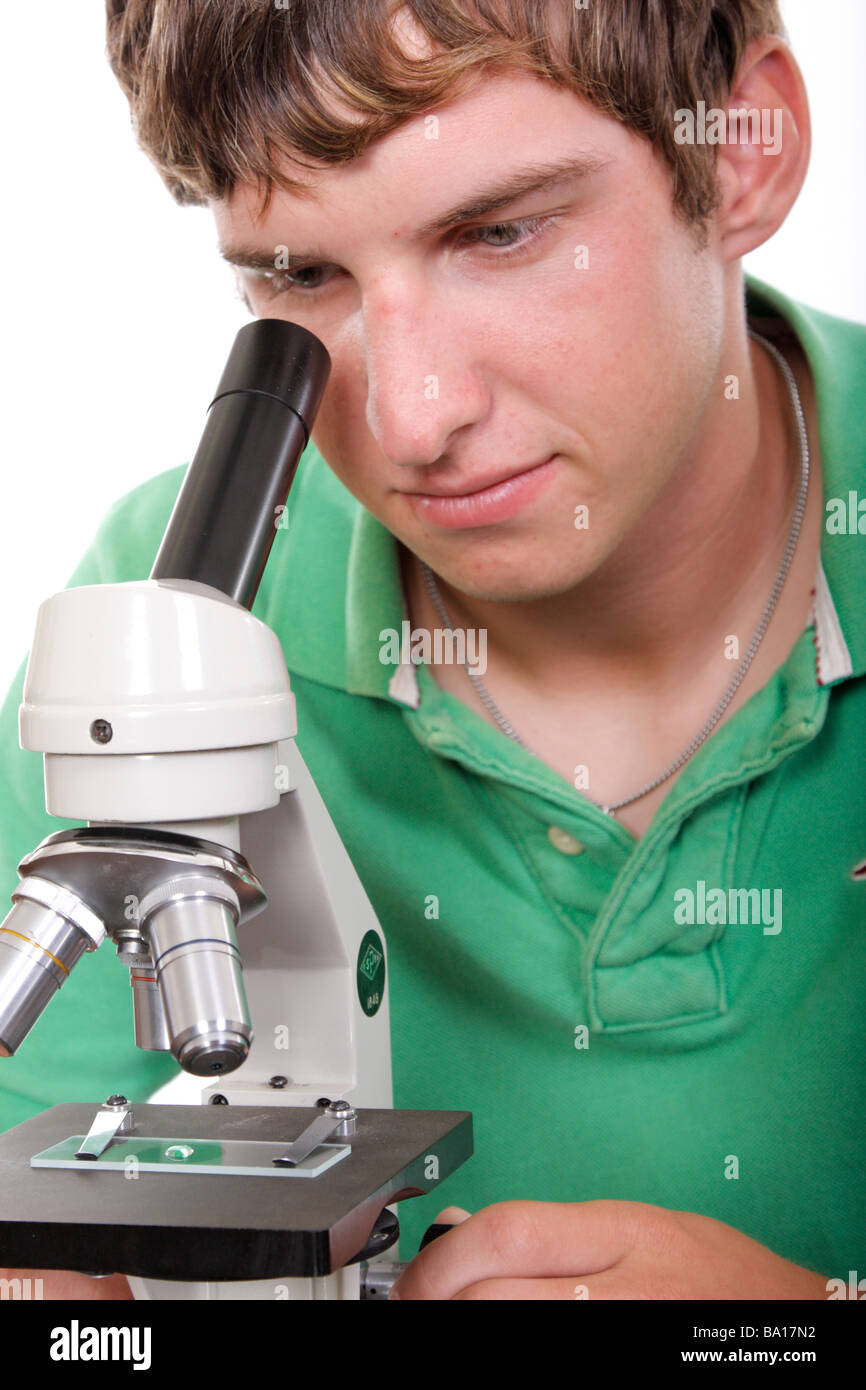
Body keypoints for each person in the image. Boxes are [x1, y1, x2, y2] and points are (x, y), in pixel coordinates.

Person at [0, 0, 863, 1300]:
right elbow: (54, 1232)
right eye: (300, 275)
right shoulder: (170, 608)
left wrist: (788, 1329)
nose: (411, 418)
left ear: (742, 148)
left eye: (498, 232)